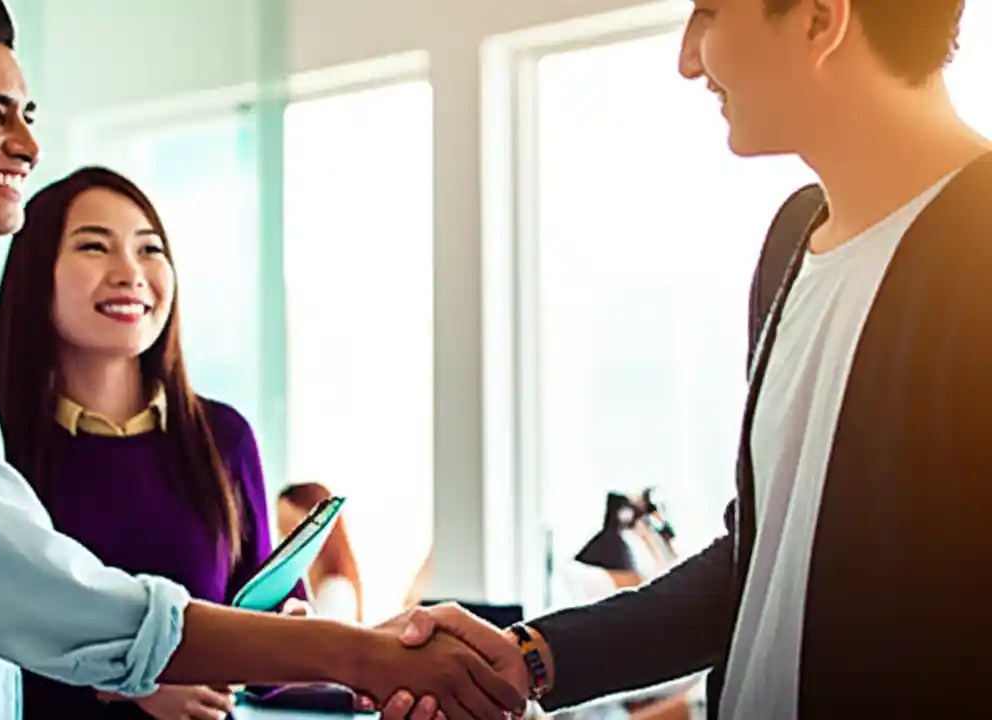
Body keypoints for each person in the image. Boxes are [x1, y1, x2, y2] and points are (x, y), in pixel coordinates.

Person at [0, 1, 526, 718]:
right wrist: (360, 652)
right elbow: (39, 597)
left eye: (27, 114)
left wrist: (323, 654)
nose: (27, 145)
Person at [377, 1, 991, 718]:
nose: (689, 59)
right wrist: (531, 657)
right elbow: (756, 560)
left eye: (709, 14)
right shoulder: (794, 237)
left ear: (820, 21)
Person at [0, 166, 311, 719]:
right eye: (95, 247)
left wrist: (287, 642)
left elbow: (266, 629)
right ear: (35, 274)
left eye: (150, 250)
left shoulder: (224, 437)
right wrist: (131, 680)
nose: (130, 273)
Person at [276, 482, 364, 623]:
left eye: (292, 529)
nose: (283, 541)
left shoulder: (337, 589)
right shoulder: (304, 582)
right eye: (281, 530)